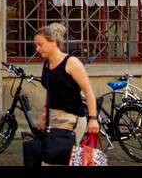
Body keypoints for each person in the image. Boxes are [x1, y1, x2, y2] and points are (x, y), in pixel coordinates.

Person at [23, 22, 100, 166]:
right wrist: (45, 114)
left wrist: (93, 118)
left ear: (53, 43)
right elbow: (50, 90)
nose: (37, 49)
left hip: (71, 119)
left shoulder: (71, 63)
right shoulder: (47, 63)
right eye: (36, 45)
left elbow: (89, 92)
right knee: (49, 158)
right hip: (53, 118)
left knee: (61, 159)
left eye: (40, 44)